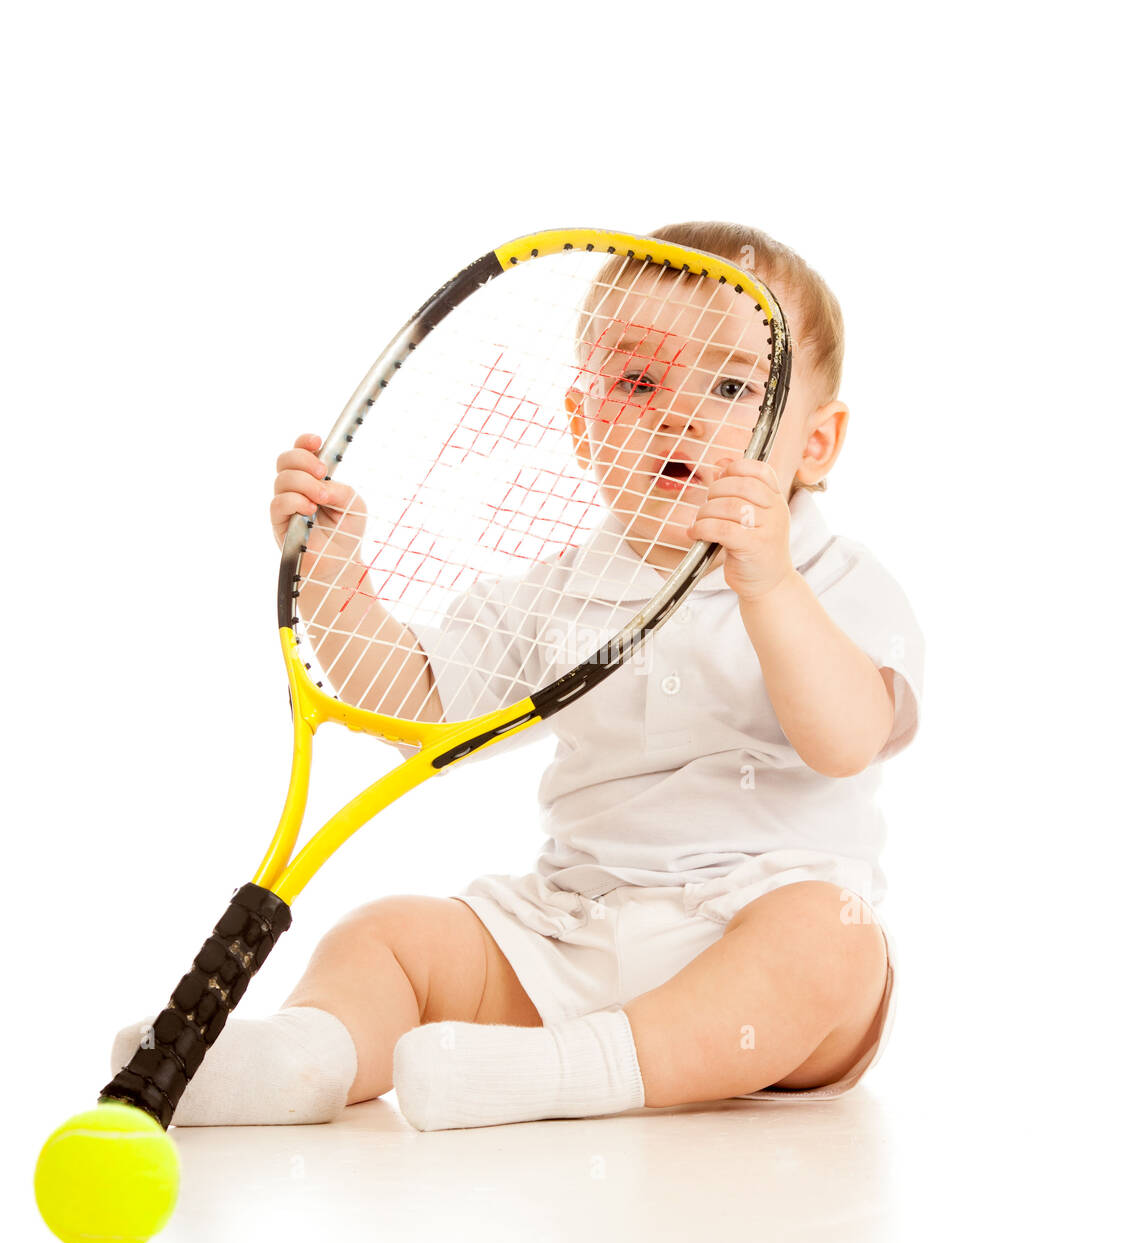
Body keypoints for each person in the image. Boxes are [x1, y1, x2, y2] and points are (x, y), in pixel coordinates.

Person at [113, 222, 924, 1130]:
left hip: (761, 944)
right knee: (391, 935)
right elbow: (413, 699)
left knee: (831, 941)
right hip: (572, 927)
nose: (680, 415)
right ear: (584, 427)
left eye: (734, 385)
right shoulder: (554, 595)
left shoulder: (840, 581)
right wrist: (336, 578)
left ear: (816, 445)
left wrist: (768, 584)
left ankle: (572, 1073)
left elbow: (847, 739)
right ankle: (310, 1054)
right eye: (639, 382)